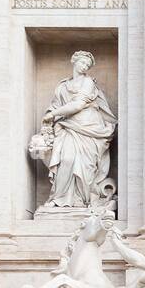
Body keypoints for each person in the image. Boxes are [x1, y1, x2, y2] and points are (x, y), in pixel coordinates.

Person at [40, 51, 117, 209]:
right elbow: (55, 105)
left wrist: (54, 114)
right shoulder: (62, 86)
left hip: (88, 127)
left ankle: (81, 200)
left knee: (85, 166)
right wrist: (50, 115)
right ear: (74, 61)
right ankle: (59, 198)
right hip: (67, 127)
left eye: (87, 65)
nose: (84, 67)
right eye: (82, 63)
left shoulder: (88, 82)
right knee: (66, 160)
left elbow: (78, 105)